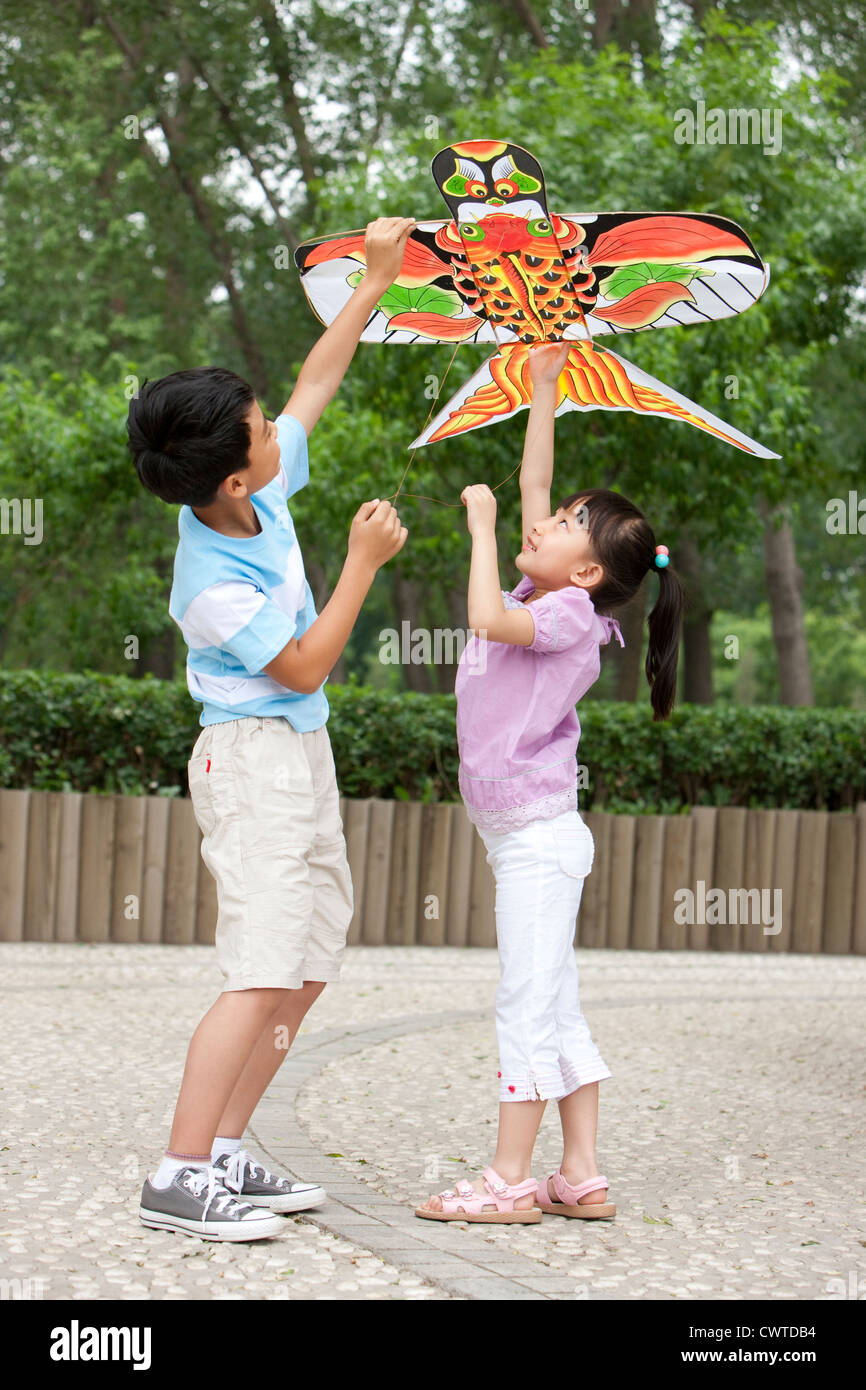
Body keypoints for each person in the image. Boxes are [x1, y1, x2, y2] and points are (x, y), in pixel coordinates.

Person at [127, 217, 414, 1241]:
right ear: (233, 477)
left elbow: (314, 386)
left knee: (306, 956)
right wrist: (363, 566)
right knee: (256, 968)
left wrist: (373, 285)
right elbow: (303, 663)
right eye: (256, 429)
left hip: (299, 751)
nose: (271, 424)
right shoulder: (208, 585)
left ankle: (232, 1148)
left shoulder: (248, 490)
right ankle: (178, 1170)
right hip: (250, 763)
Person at [416, 341, 684, 1224]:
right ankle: (580, 1173)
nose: (545, 519)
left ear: (589, 573)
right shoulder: (558, 593)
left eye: (567, 525)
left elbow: (485, 610)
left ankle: (507, 1184)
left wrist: (484, 527)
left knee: (524, 1006)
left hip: (537, 840)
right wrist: (540, 390)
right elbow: (538, 486)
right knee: (555, 1002)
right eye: (556, 513)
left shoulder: (564, 615)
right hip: (526, 838)